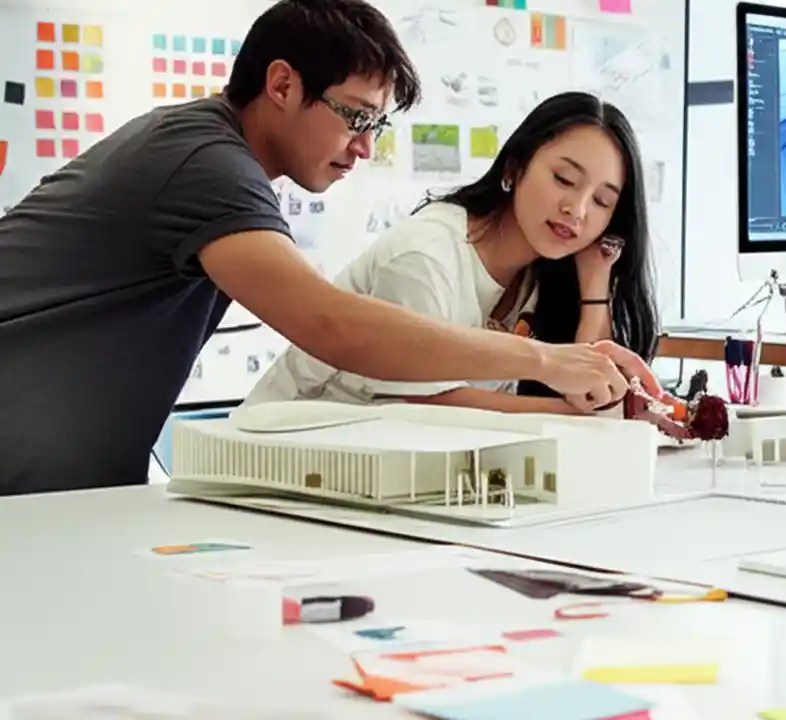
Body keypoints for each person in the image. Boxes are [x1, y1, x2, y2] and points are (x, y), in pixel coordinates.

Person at [0, 0, 657, 497]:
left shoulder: (211, 159)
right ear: (282, 85)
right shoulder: (206, 165)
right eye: (356, 117)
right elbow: (329, 325)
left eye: (378, 125)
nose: (365, 147)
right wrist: (544, 358)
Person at [246, 91, 660, 414]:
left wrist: (594, 284)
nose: (578, 210)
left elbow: (594, 385)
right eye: (564, 178)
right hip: (282, 457)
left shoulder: (543, 273)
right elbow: (418, 405)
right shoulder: (426, 255)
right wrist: (578, 416)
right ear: (514, 168)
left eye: (603, 202)